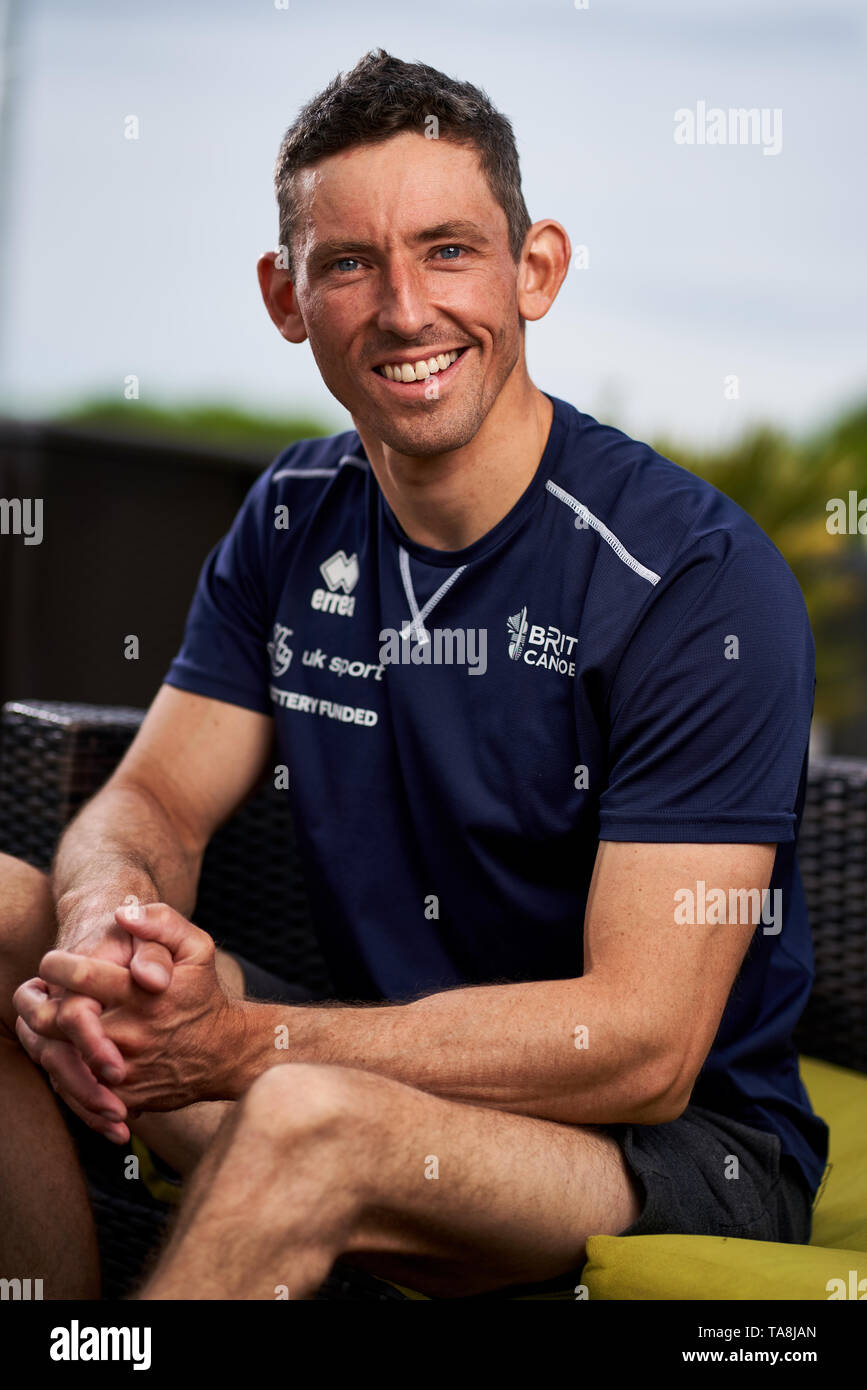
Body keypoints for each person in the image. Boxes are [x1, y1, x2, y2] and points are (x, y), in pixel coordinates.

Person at [2, 48, 827, 1301]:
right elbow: (156, 799)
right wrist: (106, 931)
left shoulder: (695, 579)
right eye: (348, 263)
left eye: (448, 249)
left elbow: (647, 1047)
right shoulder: (292, 514)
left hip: (677, 1150)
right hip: (374, 1059)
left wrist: (235, 1044)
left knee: (304, 1118)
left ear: (534, 268)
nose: (403, 308)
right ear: (285, 297)